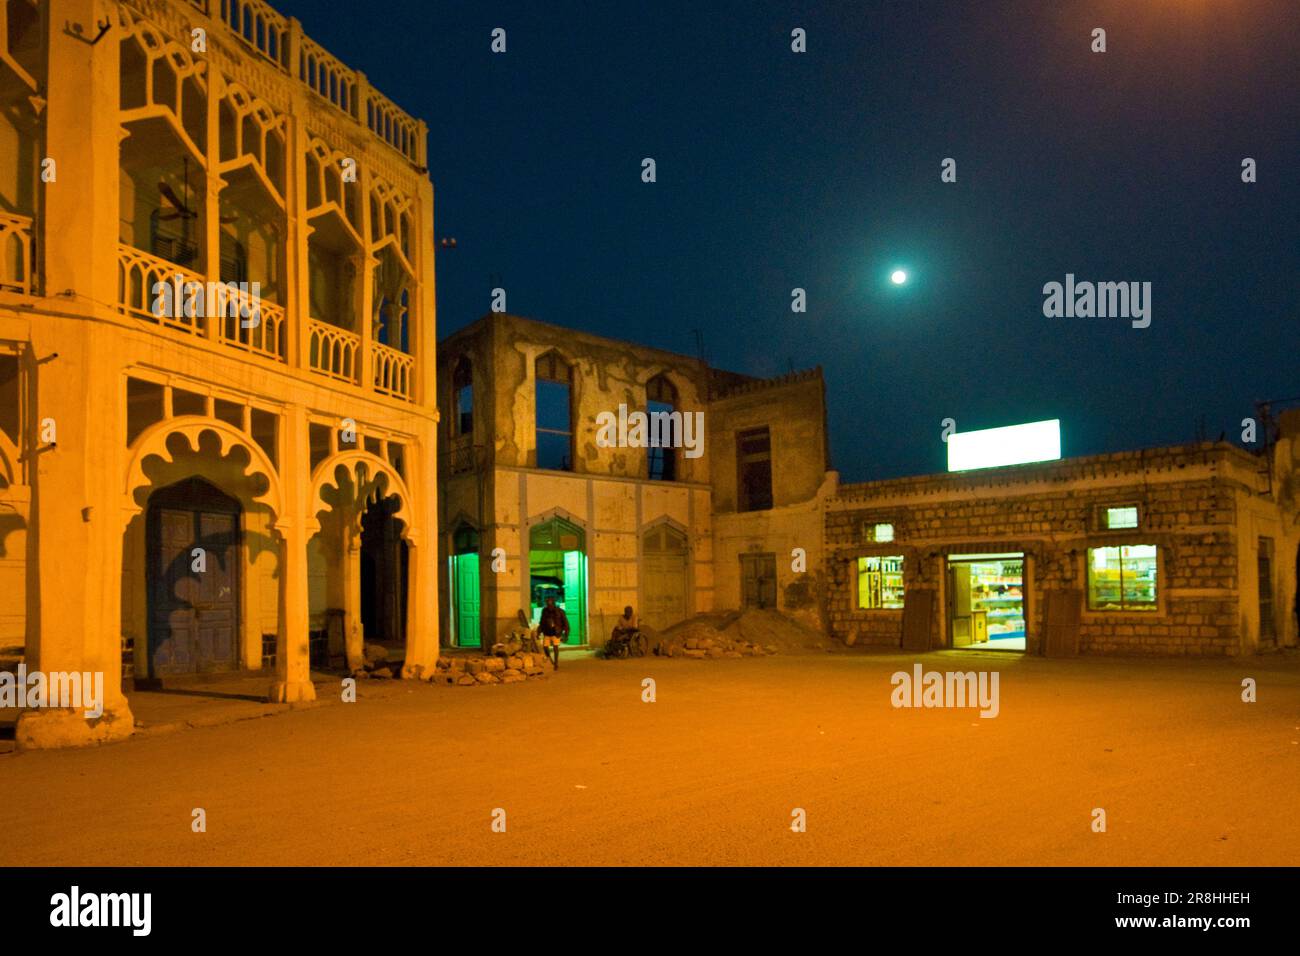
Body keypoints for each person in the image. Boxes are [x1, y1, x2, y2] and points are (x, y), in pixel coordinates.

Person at [538, 596, 569, 669]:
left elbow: (565, 623)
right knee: (545, 647)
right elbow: (542, 621)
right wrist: (539, 630)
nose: (549, 605)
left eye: (551, 604)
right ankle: (550, 660)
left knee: (555, 647)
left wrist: (566, 634)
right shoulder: (544, 611)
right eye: (548, 604)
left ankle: (556, 663)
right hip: (547, 632)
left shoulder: (560, 611)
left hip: (556, 632)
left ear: (554, 604)